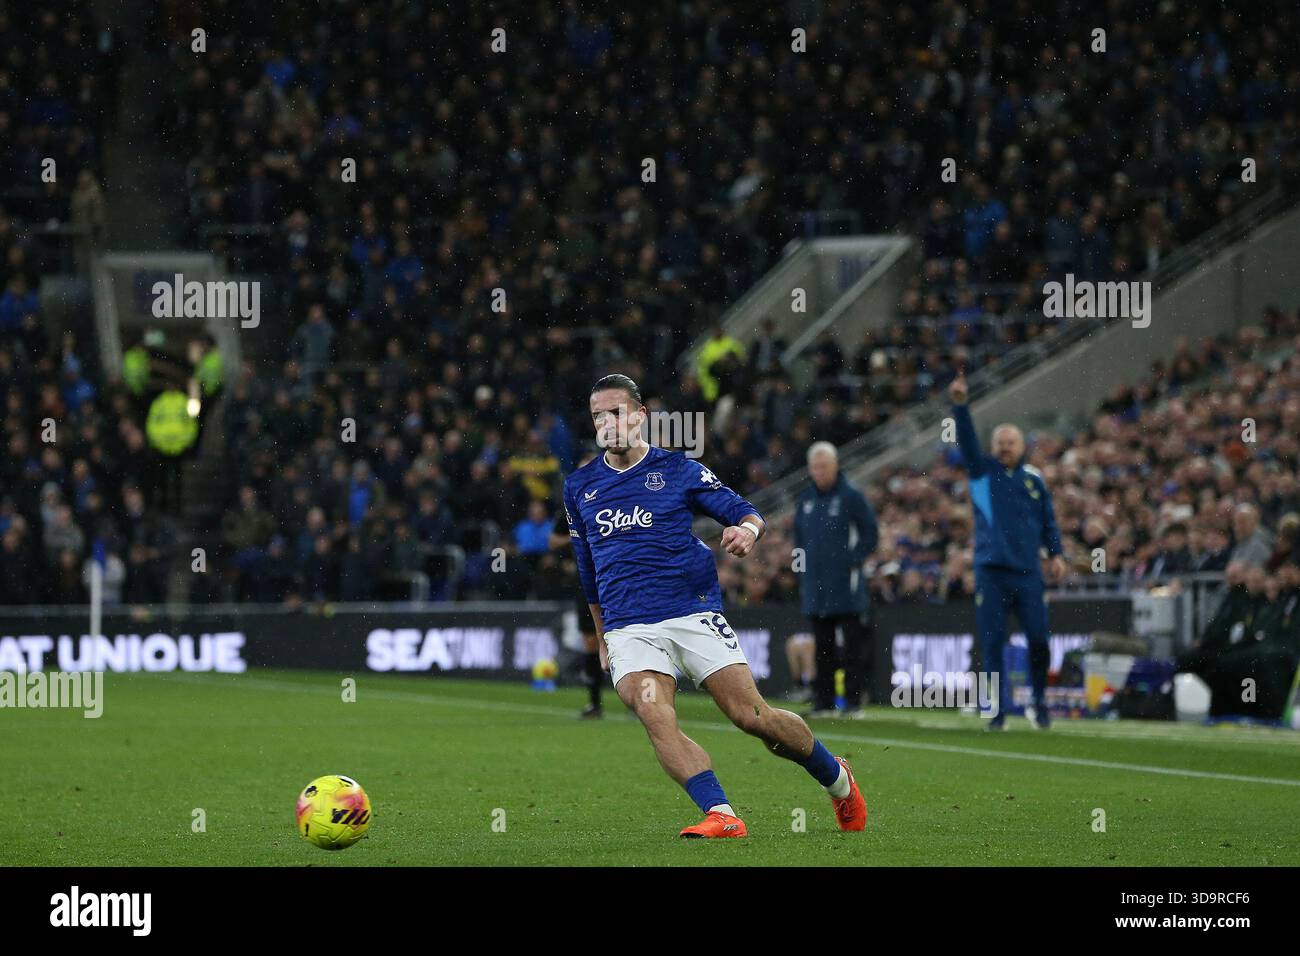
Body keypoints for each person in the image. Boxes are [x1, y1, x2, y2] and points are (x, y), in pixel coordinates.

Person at [563, 374, 866, 838]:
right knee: (654, 711)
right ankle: (722, 813)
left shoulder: (679, 470)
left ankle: (837, 778)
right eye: (598, 416)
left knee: (753, 718)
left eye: (616, 412)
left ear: (640, 416)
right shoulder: (580, 486)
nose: (607, 423)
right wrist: (603, 634)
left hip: (691, 611)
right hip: (628, 626)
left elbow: (745, 510)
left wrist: (747, 531)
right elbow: (587, 569)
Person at [948, 370, 1066, 729]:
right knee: (993, 643)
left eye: (1010, 442)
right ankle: (998, 710)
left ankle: (1039, 703)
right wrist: (960, 407)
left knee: (1039, 640)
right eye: (999, 441)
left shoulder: (1034, 480)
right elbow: (967, 442)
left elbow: (1049, 520)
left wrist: (1056, 553)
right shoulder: (982, 473)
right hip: (992, 572)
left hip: (1029, 572)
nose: (1004, 447)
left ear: (1021, 446)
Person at [793, 441, 879, 717]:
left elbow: (870, 533)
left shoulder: (852, 496)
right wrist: (802, 571)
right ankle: (824, 702)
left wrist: (852, 561)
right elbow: (799, 540)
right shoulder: (805, 500)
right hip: (816, 587)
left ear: (836, 466)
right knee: (823, 646)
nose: (819, 471)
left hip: (846, 586)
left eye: (824, 466)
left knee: (853, 646)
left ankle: (852, 703)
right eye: (815, 467)